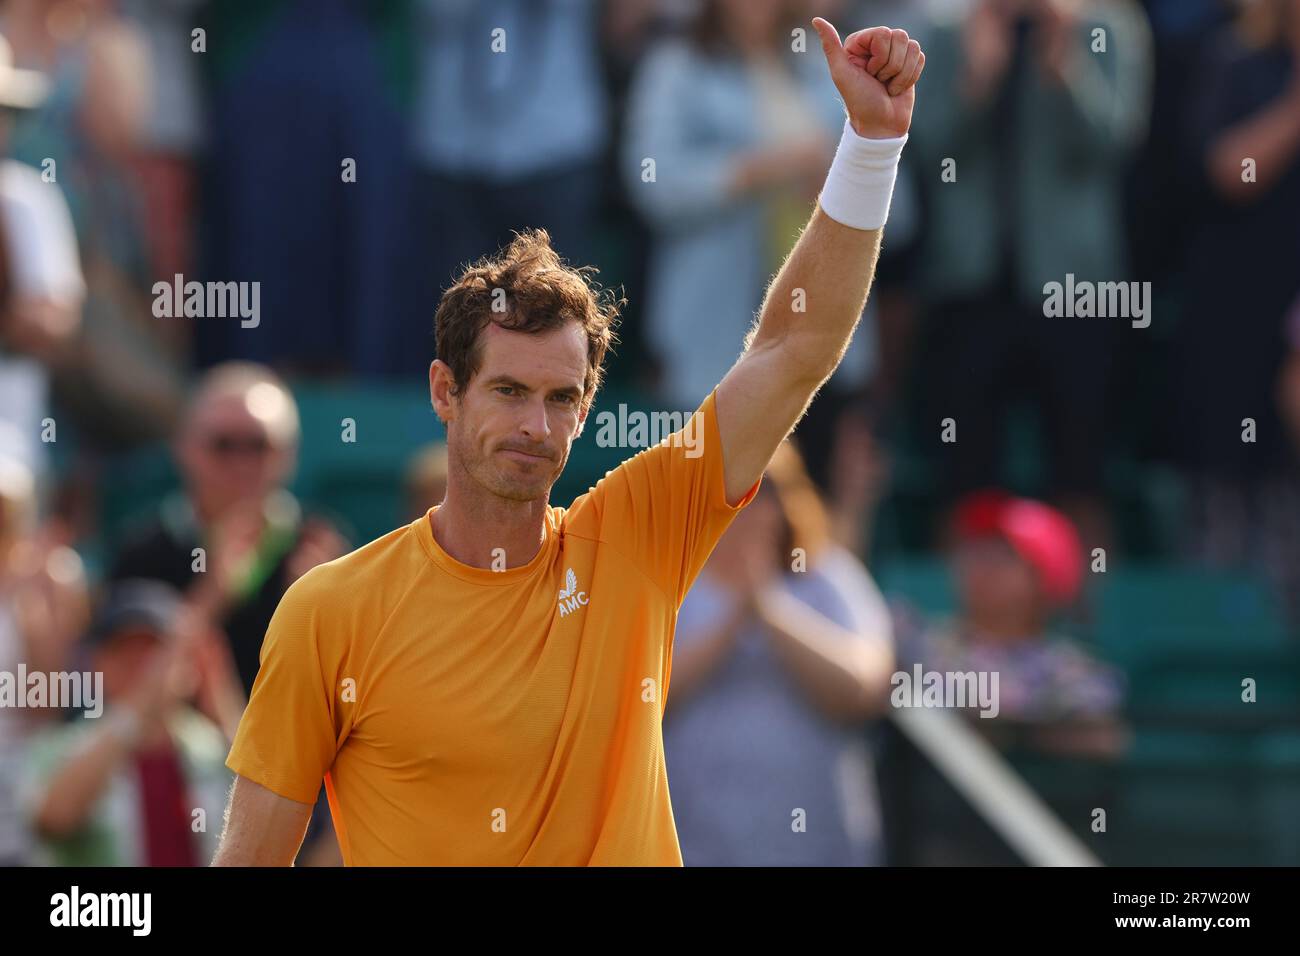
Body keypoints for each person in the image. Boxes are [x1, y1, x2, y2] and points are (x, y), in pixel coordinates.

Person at [211, 18, 924, 866]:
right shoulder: (329, 613)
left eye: (560, 398)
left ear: (587, 411)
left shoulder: (634, 539)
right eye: (508, 391)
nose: (534, 426)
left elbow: (792, 348)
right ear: (445, 391)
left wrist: (870, 147)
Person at [664, 441, 894, 866]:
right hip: (693, 849)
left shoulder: (829, 576)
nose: (747, 509)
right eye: (731, 494)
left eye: (763, 492)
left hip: (818, 849)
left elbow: (864, 690)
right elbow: (641, 702)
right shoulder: (665, 583)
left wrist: (769, 611)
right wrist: (733, 620)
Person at [894, 490, 1126, 757]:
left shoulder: (1074, 671)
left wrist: (1012, 727)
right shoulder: (914, 638)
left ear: (1044, 580)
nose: (981, 563)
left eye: (1004, 554)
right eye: (975, 548)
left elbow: (1102, 744)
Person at [22, 579, 233, 866]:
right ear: (98, 664)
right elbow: (52, 820)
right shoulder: (62, 747)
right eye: (124, 652)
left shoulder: (210, 747)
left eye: (152, 652)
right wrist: (138, 709)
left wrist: (219, 689)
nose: (142, 667)